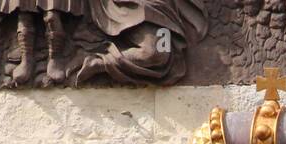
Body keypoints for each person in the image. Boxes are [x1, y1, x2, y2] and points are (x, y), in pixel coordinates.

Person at [74, 0, 208, 85]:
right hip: (130, 6)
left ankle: (100, 62)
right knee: (155, 54)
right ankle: (98, 60)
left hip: (162, 8)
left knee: (161, 54)